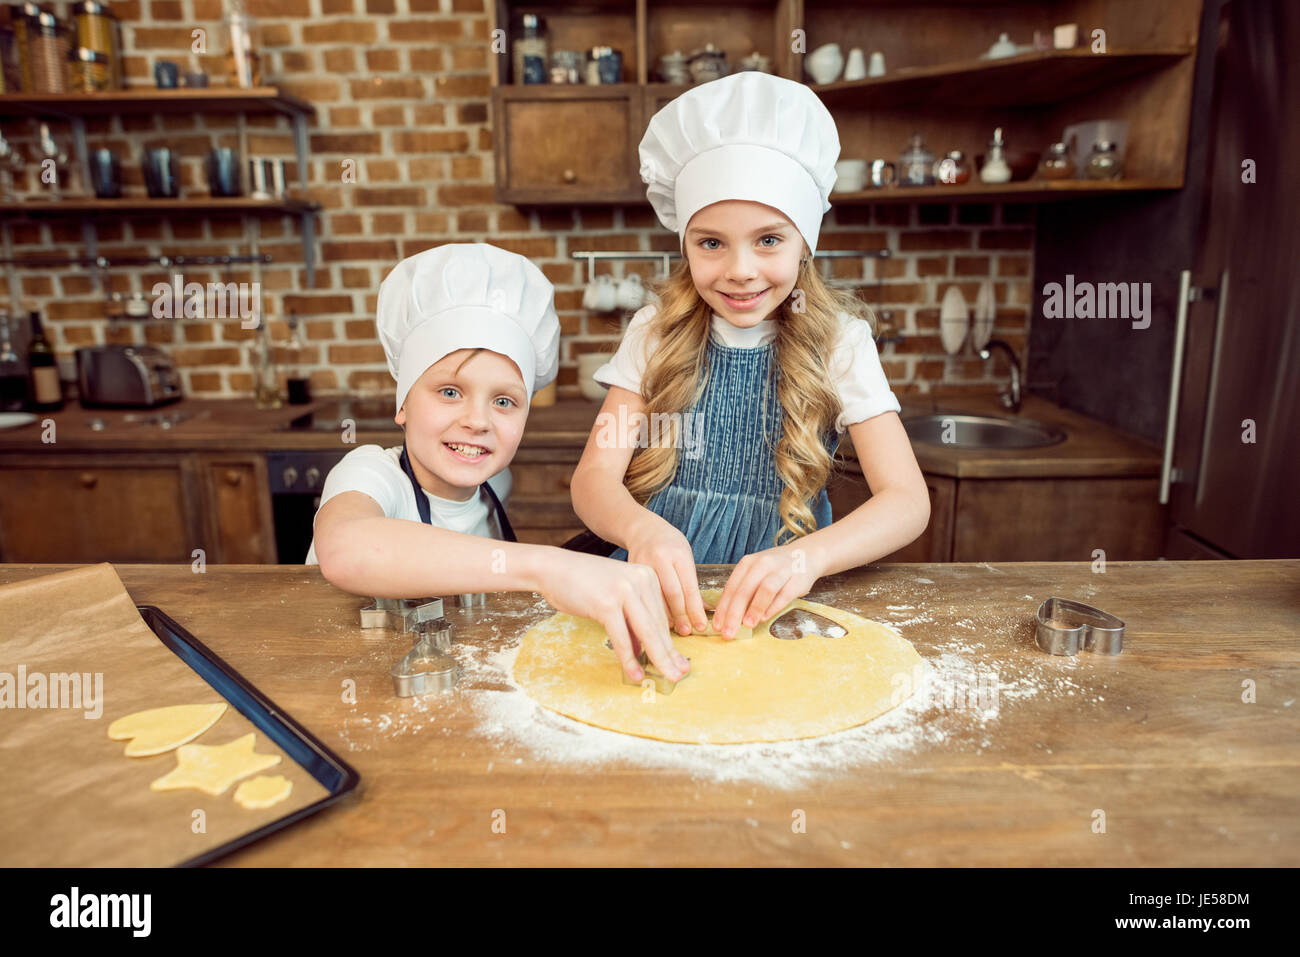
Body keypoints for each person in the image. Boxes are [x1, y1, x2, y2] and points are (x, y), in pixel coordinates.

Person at [570, 73, 930, 644]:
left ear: (804, 242)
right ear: (685, 244)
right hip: (659, 586)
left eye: (768, 240)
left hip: (782, 597)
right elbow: (593, 479)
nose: (740, 269)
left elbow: (907, 502)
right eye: (711, 242)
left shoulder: (840, 343)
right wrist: (641, 530)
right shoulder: (653, 333)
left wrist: (805, 560)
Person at [309, 243, 687, 684]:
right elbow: (345, 549)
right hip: (338, 680)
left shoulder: (496, 485)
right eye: (450, 392)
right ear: (403, 404)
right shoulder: (370, 473)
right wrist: (547, 567)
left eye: (504, 401)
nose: (477, 421)